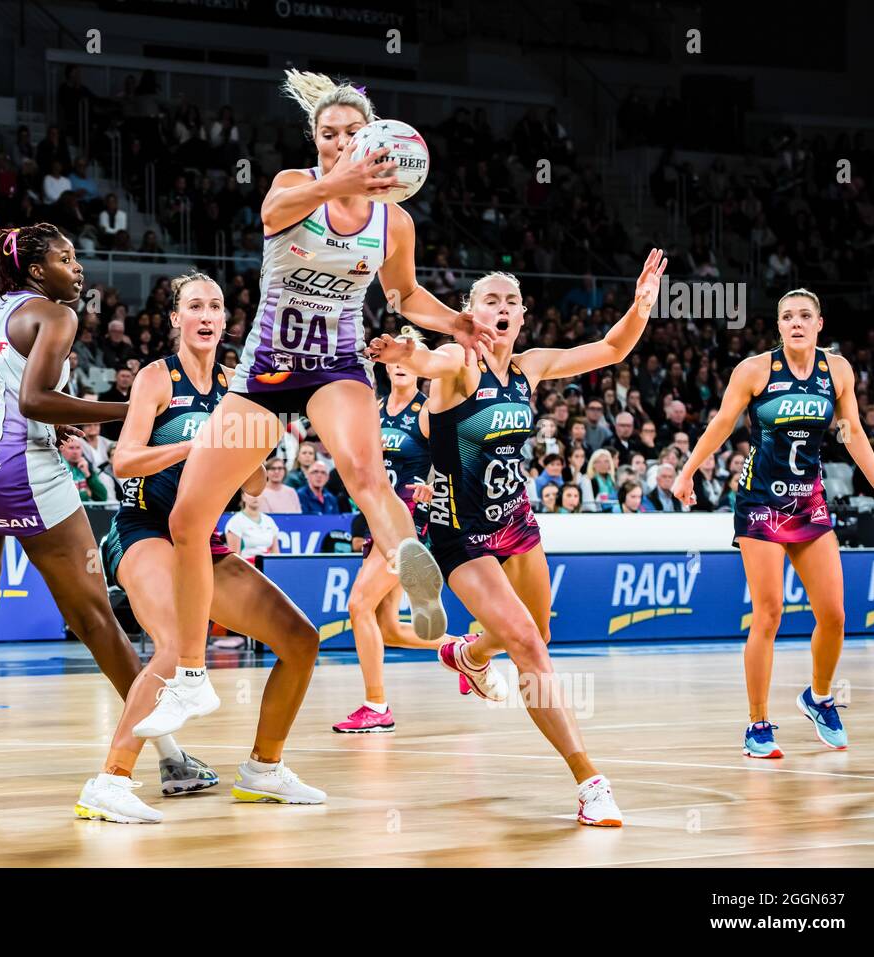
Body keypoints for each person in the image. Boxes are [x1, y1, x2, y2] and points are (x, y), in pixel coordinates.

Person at [136, 71, 497, 742]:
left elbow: (406, 295)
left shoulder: (394, 219)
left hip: (336, 363)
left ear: (374, 137)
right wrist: (342, 178)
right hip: (267, 372)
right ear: (316, 140)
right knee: (188, 518)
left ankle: (416, 572)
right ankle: (190, 677)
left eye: (350, 135)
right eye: (327, 135)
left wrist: (457, 323)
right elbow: (274, 217)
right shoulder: (292, 188)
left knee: (365, 473)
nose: (337, 144)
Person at [365, 249, 667, 826]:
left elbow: (610, 349)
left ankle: (469, 653)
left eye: (510, 300)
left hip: (519, 526)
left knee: (538, 635)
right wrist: (408, 353)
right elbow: (430, 360)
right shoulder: (459, 361)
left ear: (522, 315)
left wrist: (640, 307)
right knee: (529, 645)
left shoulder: (529, 366)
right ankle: (590, 782)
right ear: (469, 311)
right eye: (490, 299)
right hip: (463, 538)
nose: (501, 308)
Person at [0, 223, 201, 805]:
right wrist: (136, 407)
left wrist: (38, 416)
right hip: (27, 476)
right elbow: (32, 401)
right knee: (97, 620)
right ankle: (171, 759)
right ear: (34, 271)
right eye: (65, 258)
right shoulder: (55, 315)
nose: (77, 268)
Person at [80, 273, 321, 823]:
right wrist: (198, 445)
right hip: (145, 531)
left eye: (215, 305)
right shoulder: (156, 379)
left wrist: (252, 449)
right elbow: (124, 461)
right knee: (173, 647)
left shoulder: (238, 386)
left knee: (301, 640)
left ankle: (264, 770)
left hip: (205, 543)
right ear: (176, 319)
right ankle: (109, 781)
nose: (207, 314)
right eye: (195, 306)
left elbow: (255, 485)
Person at [676, 288, 874, 758]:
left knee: (834, 615)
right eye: (787, 316)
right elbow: (721, 424)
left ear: (819, 324)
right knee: (769, 613)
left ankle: (818, 698)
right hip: (759, 503)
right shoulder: (754, 370)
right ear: (778, 326)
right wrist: (689, 469)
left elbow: (852, 431)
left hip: (809, 503)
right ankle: (757, 723)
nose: (795, 322)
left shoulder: (836, 370)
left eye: (804, 315)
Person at [334, 344, 455, 734]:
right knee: (389, 628)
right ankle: (466, 649)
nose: (401, 364)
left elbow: (456, 457)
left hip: (406, 522)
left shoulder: (426, 412)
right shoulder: (376, 408)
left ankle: (376, 705)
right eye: (395, 359)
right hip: (375, 519)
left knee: (358, 605)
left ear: (420, 366)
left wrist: (435, 486)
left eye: (410, 358)